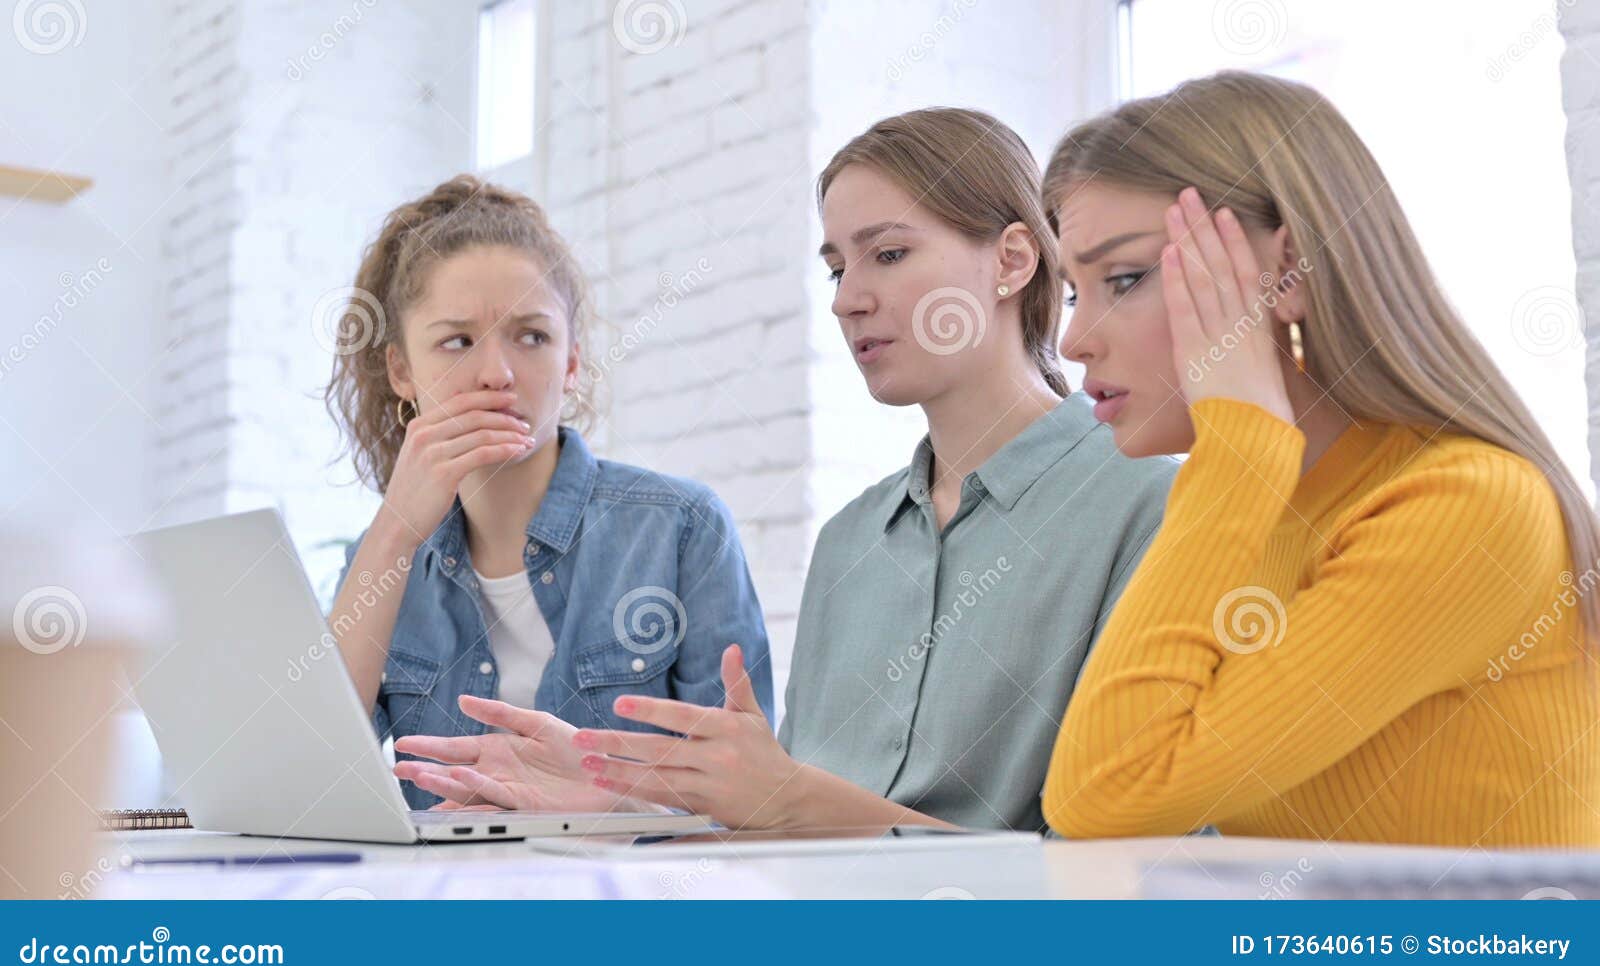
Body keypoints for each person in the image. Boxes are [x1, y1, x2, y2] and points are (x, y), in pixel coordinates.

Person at [395, 110, 1177, 832]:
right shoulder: (851, 545)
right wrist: (621, 803)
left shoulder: (1148, 508)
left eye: (890, 254)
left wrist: (781, 796)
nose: (849, 300)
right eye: (838, 268)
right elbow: (791, 836)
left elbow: (1132, 884)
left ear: (1011, 261)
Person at [1041, 71, 1600, 847]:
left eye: (1124, 279)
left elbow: (1105, 797)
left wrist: (1238, 451)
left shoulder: (1469, 507)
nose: (1073, 341)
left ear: (1291, 269)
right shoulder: (1262, 499)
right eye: (1074, 291)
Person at [323, 175, 772, 811]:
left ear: (570, 364)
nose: (497, 374)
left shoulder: (681, 529)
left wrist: (608, 816)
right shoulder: (381, 562)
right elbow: (311, 784)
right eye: (457, 341)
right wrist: (394, 532)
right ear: (402, 371)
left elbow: (747, 810)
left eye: (532, 336)